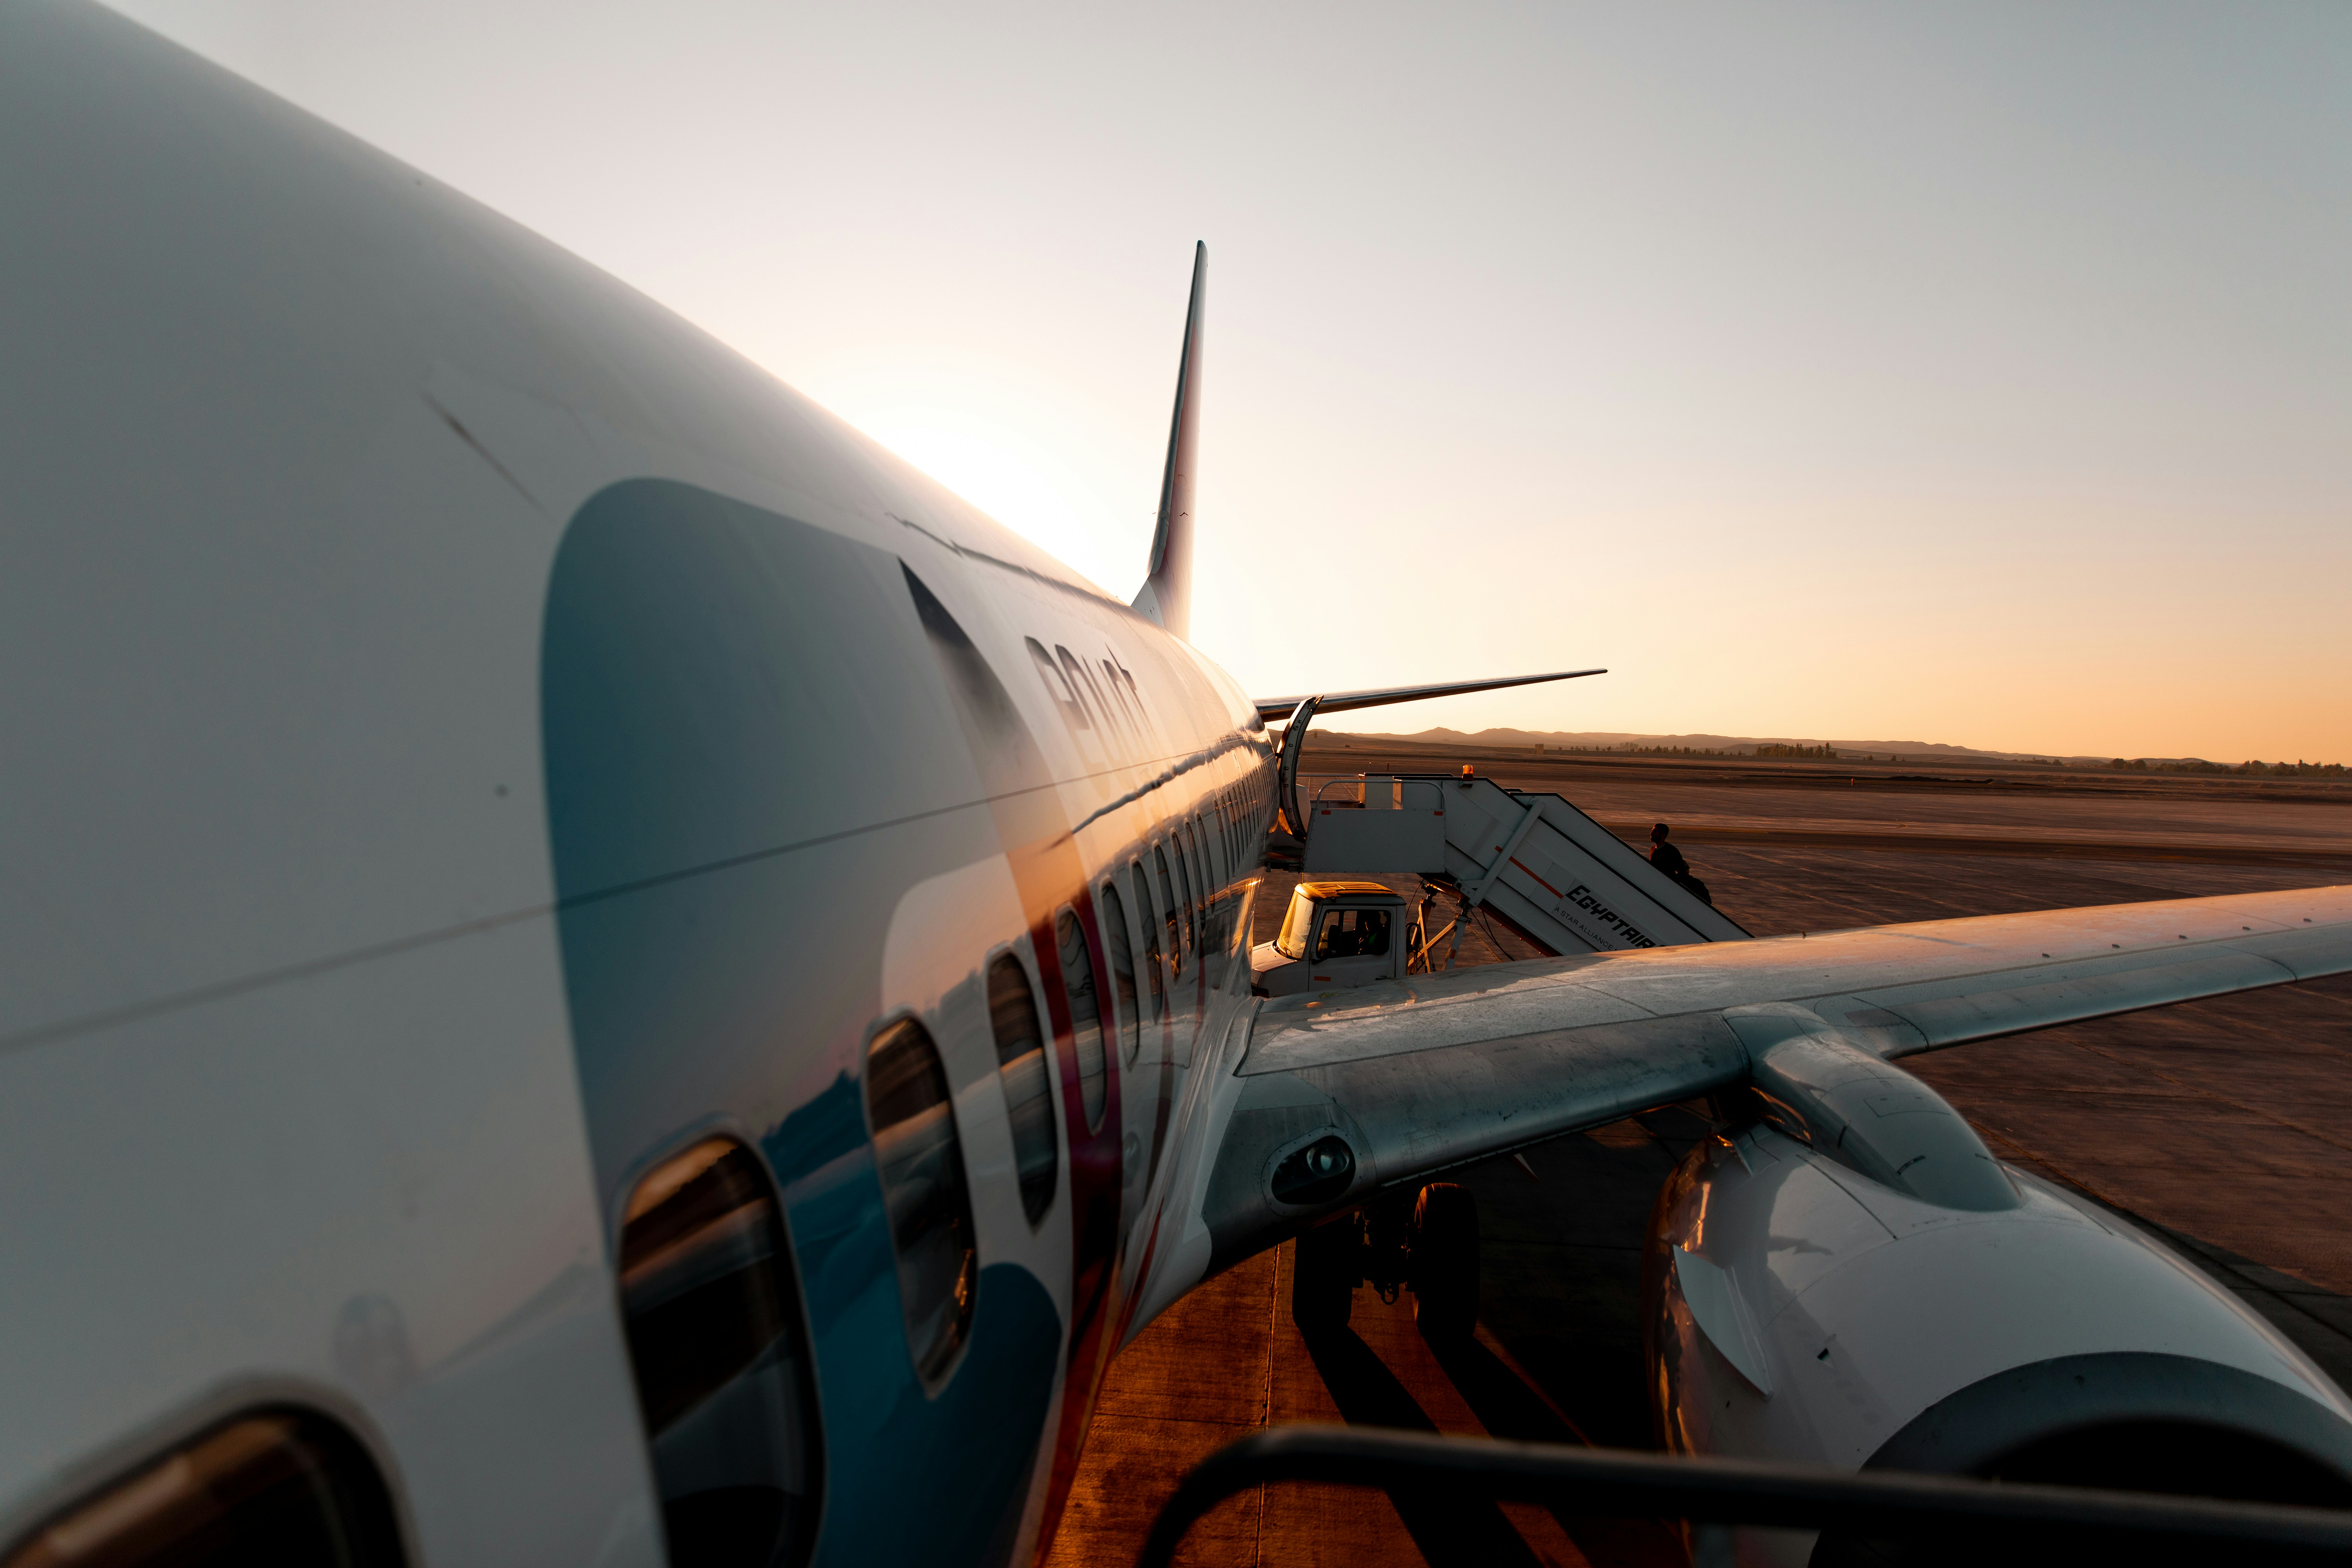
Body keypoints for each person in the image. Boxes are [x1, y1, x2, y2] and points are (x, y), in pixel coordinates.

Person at [1649, 822, 1713, 906]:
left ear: (1663, 835)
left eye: (1655, 832)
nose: (1651, 833)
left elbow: (1682, 872)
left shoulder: (1672, 851)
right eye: (1652, 831)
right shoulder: (1653, 850)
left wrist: (1671, 883)